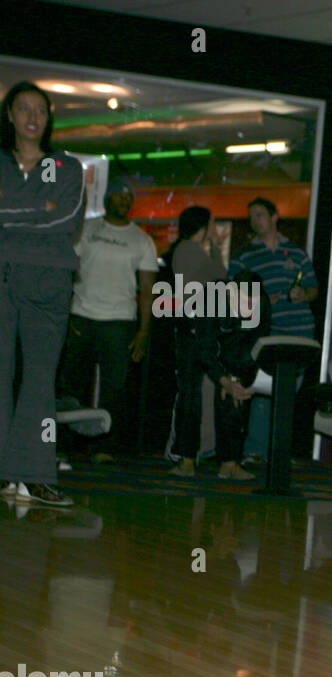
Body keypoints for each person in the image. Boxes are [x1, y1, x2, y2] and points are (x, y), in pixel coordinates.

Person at [0, 81, 84, 508]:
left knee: (40, 381)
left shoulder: (62, 166)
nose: (33, 117)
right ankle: (4, 473)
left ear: (49, 118)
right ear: (9, 115)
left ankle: (35, 475)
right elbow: (46, 214)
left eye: (41, 110)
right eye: (24, 108)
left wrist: (12, 210)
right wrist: (38, 209)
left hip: (49, 281)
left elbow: (66, 219)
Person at [57, 179, 157, 463]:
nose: (124, 200)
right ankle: (61, 445)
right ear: (107, 199)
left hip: (119, 321)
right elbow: (65, 274)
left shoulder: (142, 240)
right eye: (119, 195)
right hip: (81, 316)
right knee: (69, 385)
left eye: (128, 197)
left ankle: (103, 448)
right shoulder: (87, 230)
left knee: (115, 388)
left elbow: (147, 290)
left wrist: (143, 331)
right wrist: (64, 315)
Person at [166, 206, 260, 480]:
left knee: (199, 394)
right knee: (196, 394)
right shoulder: (189, 250)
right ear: (203, 225)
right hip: (196, 328)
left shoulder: (188, 250)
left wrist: (216, 247)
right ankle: (194, 457)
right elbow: (221, 277)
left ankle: (193, 458)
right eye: (212, 223)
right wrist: (217, 247)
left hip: (197, 327)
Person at [228, 196, 318, 464]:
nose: (255, 221)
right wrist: (262, 300)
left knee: (288, 393)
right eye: (251, 217)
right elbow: (231, 295)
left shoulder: (297, 252)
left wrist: (304, 294)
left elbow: (314, 288)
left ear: (274, 217)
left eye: (260, 215)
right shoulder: (244, 255)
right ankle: (256, 450)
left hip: (300, 331)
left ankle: (279, 453)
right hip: (266, 332)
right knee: (264, 390)